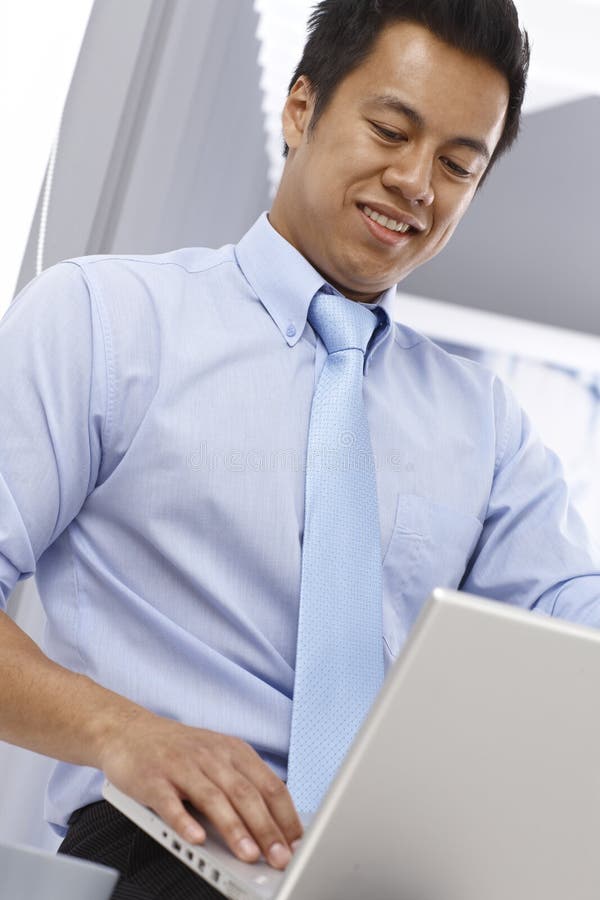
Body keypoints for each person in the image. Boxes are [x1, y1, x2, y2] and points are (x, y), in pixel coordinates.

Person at [1, 1, 598, 898]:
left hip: (394, 874)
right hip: (171, 852)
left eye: (457, 165)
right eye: (391, 130)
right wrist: (122, 732)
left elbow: (572, 630)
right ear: (300, 108)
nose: (416, 183)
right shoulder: (104, 320)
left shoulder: (485, 425)